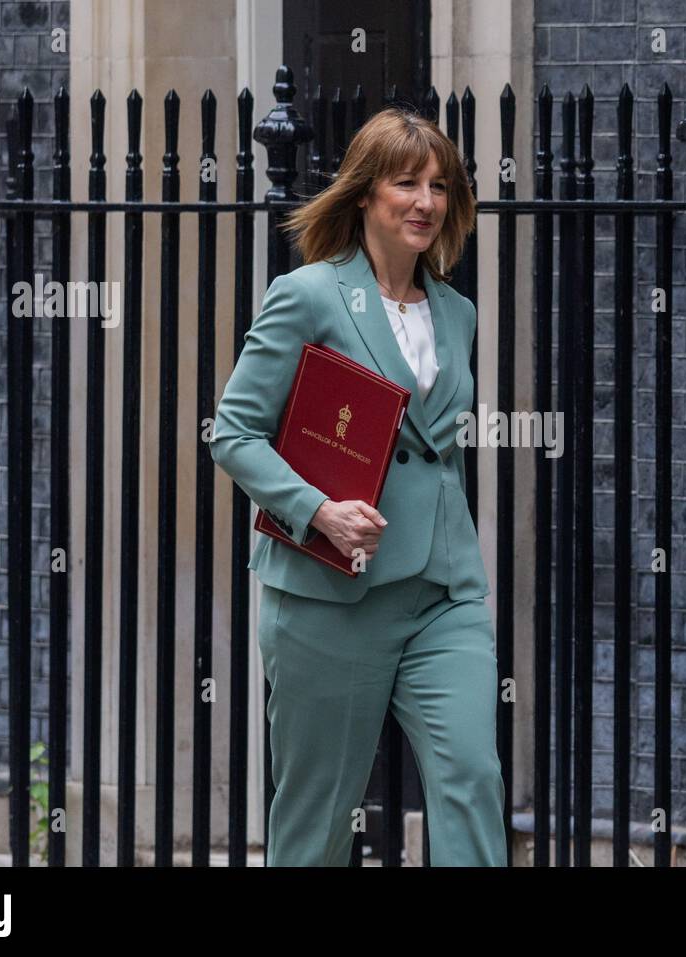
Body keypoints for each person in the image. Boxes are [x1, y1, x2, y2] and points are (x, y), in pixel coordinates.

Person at [210, 106, 506, 866]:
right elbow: (233, 432)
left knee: (472, 776)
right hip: (332, 599)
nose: (425, 201)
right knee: (318, 819)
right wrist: (319, 511)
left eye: (439, 186)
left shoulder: (457, 311)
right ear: (366, 193)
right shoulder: (308, 294)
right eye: (406, 183)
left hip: (444, 594)